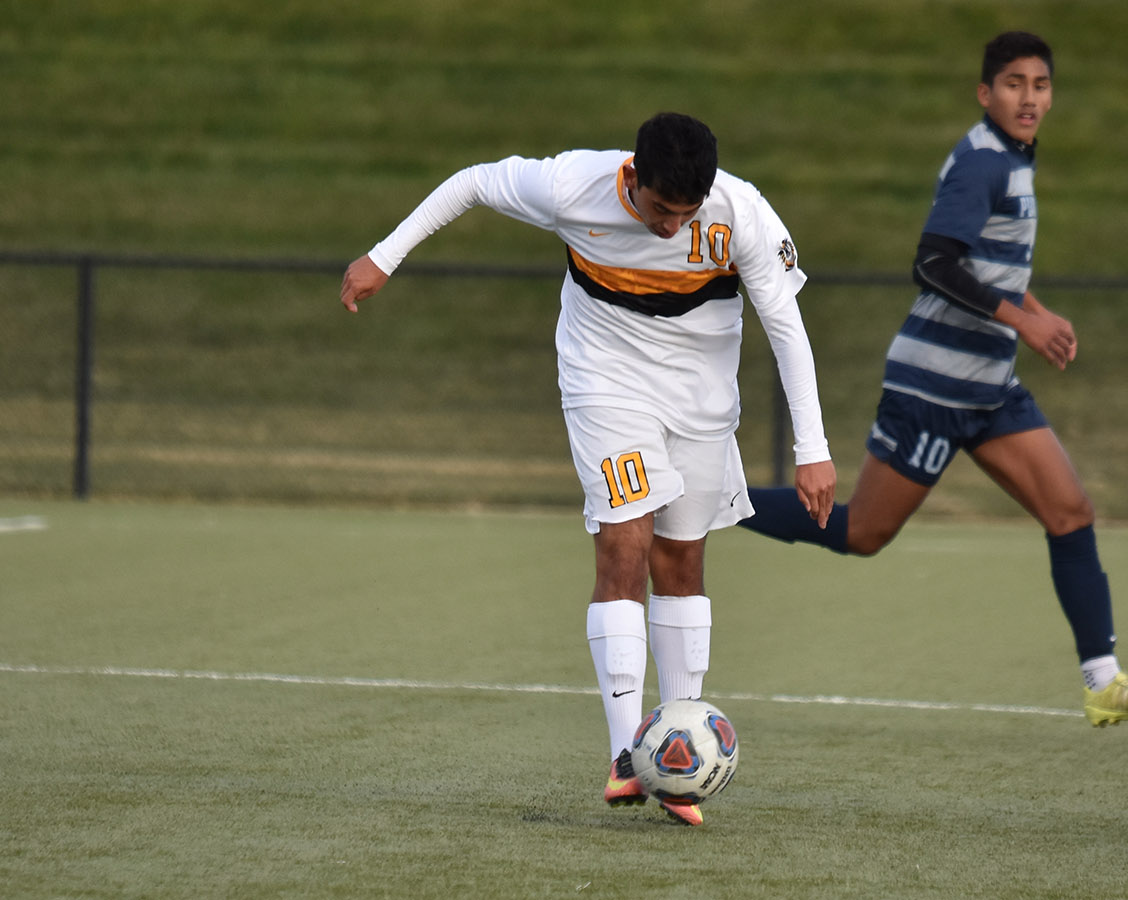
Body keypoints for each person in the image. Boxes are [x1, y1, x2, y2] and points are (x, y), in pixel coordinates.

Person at [339, 113, 837, 827]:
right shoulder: (572, 184)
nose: (672, 226)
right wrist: (384, 256)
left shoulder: (740, 211)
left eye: (687, 212)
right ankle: (627, 756)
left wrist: (812, 449)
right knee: (624, 545)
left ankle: (675, 755)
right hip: (607, 385)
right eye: (661, 208)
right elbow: (474, 182)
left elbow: (785, 325)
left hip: (701, 400)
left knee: (682, 561)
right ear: (633, 176)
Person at [736, 31, 1128, 727]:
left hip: (989, 385)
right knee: (862, 531)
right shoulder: (984, 162)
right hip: (933, 387)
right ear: (986, 93)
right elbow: (934, 263)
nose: (1029, 97)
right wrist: (1024, 322)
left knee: (1070, 513)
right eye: (1014, 84)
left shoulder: (1013, 158)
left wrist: (1033, 310)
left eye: (1040, 84)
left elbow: (985, 263)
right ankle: (716, 502)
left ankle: (1104, 683)